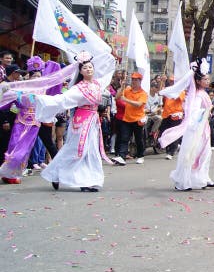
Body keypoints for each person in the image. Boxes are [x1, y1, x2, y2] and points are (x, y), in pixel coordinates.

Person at [31, 52, 112, 192]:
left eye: (90, 67)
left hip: (93, 122)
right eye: (85, 67)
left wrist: (110, 56)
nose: (88, 69)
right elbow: (62, 100)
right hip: (81, 122)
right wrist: (41, 99)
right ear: (80, 71)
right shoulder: (78, 88)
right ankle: (55, 173)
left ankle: (88, 180)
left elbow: (109, 69)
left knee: (90, 151)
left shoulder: (98, 84)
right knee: (76, 151)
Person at [0, 59, 62, 184]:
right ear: (29, 76)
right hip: (20, 122)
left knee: (25, 150)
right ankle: (8, 173)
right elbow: (8, 103)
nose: (37, 78)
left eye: (39, 76)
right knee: (14, 146)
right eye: (34, 76)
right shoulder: (21, 89)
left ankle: (13, 174)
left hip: (36, 123)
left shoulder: (44, 91)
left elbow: (56, 73)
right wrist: (6, 94)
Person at [159, 59, 214, 191]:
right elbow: (195, 113)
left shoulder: (202, 94)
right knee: (190, 154)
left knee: (205, 153)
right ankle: (182, 181)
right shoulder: (196, 95)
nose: (208, 81)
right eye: (205, 79)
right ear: (197, 81)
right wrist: (206, 113)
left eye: (208, 79)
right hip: (195, 128)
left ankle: (203, 178)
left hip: (203, 128)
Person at [112, 72, 148, 165]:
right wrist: (122, 87)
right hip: (127, 119)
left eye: (136, 80)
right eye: (133, 80)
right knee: (124, 138)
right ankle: (122, 157)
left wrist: (126, 100)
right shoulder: (127, 90)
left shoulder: (143, 93)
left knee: (138, 139)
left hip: (138, 119)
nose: (134, 82)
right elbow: (117, 97)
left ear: (140, 81)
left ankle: (140, 156)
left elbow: (138, 104)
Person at [159, 77, 185, 160]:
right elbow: (160, 92)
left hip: (176, 114)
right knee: (163, 131)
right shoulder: (168, 89)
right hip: (166, 114)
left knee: (174, 133)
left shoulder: (181, 90)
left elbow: (176, 97)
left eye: (173, 81)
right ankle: (169, 148)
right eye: (170, 81)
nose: (171, 82)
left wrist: (170, 91)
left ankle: (171, 151)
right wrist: (162, 82)